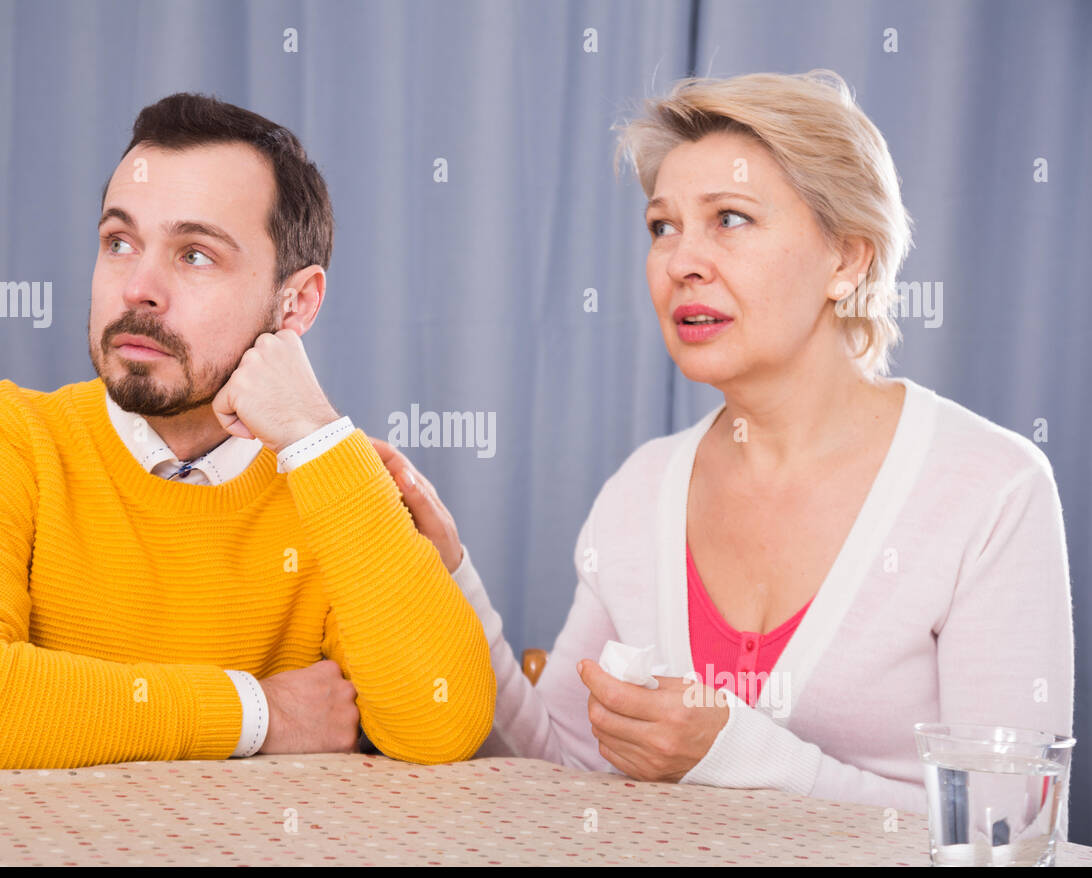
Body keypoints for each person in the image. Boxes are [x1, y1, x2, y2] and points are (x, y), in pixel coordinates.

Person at [376, 70, 1074, 823]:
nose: (681, 262)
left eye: (731, 219)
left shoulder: (992, 488)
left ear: (848, 259)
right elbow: (563, 767)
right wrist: (448, 577)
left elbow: (1009, 830)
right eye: (662, 226)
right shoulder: (643, 488)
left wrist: (738, 757)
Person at [0, 93, 495, 771]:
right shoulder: (0, 439)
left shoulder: (332, 484)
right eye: (119, 242)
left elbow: (441, 724)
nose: (138, 286)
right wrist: (260, 712)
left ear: (298, 302)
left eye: (195, 255)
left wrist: (317, 436)